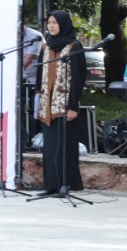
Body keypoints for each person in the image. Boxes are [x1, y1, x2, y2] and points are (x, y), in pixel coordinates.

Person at [36, 10, 86, 194]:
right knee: (49, 147)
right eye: (49, 22)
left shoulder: (74, 46)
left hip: (65, 106)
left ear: (63, 24)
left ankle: (66, 185)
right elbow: (40, 76)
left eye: (55, 23)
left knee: (64, 147)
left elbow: (79, 78)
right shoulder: (45, 47)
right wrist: (39, 101)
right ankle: (51, 185)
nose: (51, 26)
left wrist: (73, 106)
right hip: (47, 106)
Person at [22, 24, 43, 144]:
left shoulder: (35, 36)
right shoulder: (10, 36)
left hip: (35, 81)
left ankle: (34, 139)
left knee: (31, 110)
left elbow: (28, 60)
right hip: (21, 79)